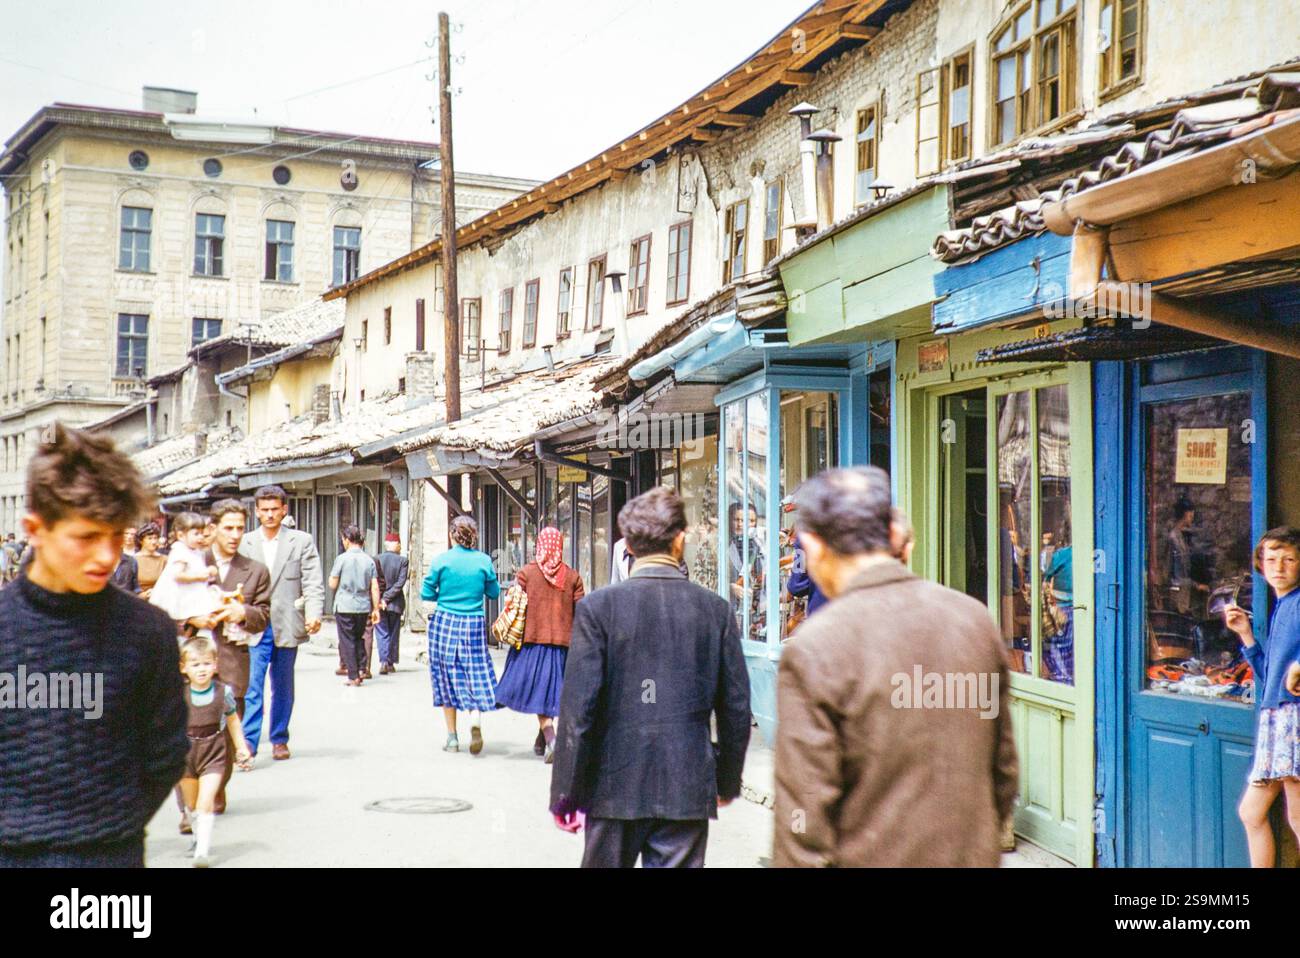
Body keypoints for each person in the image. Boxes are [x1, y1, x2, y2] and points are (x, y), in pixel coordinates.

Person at [773, 466, 1018, 867]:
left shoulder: (815, 648)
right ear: (893, 538)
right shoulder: (974, 621)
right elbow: (1003, 774)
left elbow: (803, 820)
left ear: (814, 547)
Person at [0, 424, 187, 867]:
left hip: (110, 862)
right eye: (86, 537)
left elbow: (165, 754)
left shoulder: (147, 632)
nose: (106, 556)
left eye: (116, 536)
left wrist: (108, 828)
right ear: (35, 529)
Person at [549, 487, 750, 868]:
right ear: (679, 540)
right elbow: (736, 707)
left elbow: (578, 710)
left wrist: (566, 795)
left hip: (612, 786)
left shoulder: (598, 609)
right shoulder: (716, 611)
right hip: (686, 786)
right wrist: (725, 782)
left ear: (628, 546)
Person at [183, 499, 270, 815]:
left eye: (239, 528)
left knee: (226, 733)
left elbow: (263, 614)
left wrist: (241, 611)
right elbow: (164, 609)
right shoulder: (187, 564)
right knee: (187, 731)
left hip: (231, 663)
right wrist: (192, 620)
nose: (234, 535)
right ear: (212, 528)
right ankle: (189, 806)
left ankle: (216, 788)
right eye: (228, 527)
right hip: (190, 662)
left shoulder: (255, 571)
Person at [1225, 526, 1300, 868]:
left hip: (1293, 718)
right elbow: (1270, 674)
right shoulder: (1283, 605)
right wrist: (1245, 635)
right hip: (1276, 719)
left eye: (1289, 559)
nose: (1278, 567)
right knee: (1251, 812)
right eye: (1271, 559)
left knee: (1299, 819)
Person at [238, 486, 324, 763]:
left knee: (283, 685)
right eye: (264, 510)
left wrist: (314, 613)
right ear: (256, 511)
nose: (270, 514)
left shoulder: (301, 541)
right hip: (254, 623)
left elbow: (312, 581)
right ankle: (249, 742)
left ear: (284, 510)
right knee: (252, 686)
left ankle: (279, 738)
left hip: (287, 621)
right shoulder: (245, 542)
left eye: (275, 509)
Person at [497, 527, 585, 762]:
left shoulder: (527, 573)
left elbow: (513, 603)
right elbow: (582, 611)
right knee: (549, 694)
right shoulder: (573, 577)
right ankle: (542, 740)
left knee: (539, 693)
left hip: (531, 644)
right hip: (563, 646)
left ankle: (551, 739)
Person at [422, 515, 500, 755]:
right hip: (473, 622)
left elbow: (426, 592)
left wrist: (444, 596)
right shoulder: (484, 561)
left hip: (445, 622)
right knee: (474, 670)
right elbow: (494, 592)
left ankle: (452, 738)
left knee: (445, 675)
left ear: (452, 535)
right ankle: (475, 718)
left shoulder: (441, 561)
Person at [178, 636, 251, 867]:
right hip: (186, 753)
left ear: (215, 665)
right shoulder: (178, 695)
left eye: (207, 663)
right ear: (184, 668)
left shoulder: (223, 692)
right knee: (191, 804)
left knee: (205, 801)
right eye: (196, 664)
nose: (202, 670)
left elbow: (233, 721)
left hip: (214, 752)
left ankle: (202, 850)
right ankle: (198, 834)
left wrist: (241, 748)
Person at [148, 512, 223, 636]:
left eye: (202, 533)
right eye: (196, 534)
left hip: (191, 592)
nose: (200, 537)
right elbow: (177, 575)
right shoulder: (180, 551)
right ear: (181, 535)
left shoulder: (196, 551)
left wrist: (208, 571)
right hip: (180, 593)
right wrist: (200, 576)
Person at [330, 525, 381, 687]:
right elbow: (374, 587)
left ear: (346, 540)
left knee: (347, 640)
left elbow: (332, 583)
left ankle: (353, 676)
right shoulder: (369, 560)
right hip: (363, 606)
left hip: (344, 605)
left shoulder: (342, 559)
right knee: (359, 637)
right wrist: (376, 608)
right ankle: (361, 668)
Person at [375, 533, 409, 674]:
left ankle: (383, 661)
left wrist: (382, 599)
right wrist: (388, 598)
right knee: (394, 632)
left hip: (379, 601)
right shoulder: (403, 561)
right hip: (395, 603)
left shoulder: (377, 559)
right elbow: (400, 583)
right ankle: (390, 662)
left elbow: (374, 582)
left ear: (385, 544)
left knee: (382, 631)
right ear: (397, 545)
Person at [135, 521, 167, 600]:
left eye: (155, 538)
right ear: (141, 541)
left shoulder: (164, 560)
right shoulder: (133, 560)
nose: (153, 542)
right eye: (149, 538)